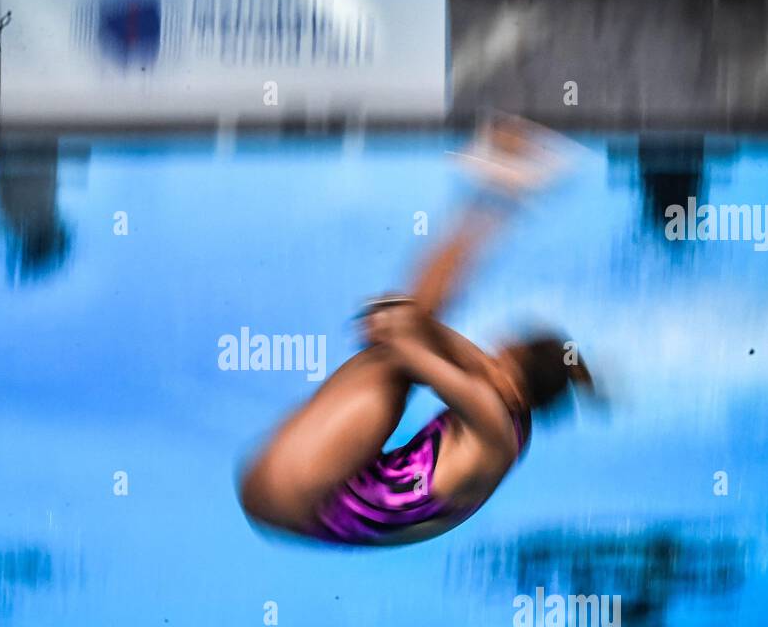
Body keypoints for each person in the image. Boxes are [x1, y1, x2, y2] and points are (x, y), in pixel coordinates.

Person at [238, 117, 595, 547]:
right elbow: (410, 323)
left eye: (500, 358)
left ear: (518, 390)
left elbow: (398, 336)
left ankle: (504, 190)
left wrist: (407, 324)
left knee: (390, 368)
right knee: (405, 339)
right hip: (295, 494)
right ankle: (502, 191)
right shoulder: (507, 412)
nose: (488, 357)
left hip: (298, 498)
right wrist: (445, 342)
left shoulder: (493, 422)